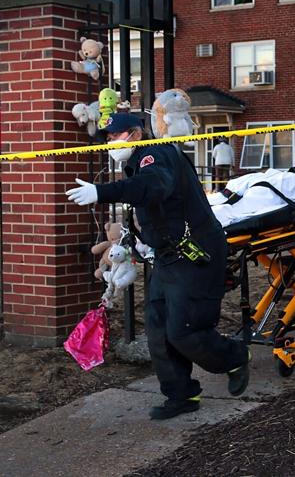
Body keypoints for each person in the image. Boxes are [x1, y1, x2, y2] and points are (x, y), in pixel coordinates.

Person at [65, 113, 250, 420]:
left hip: (196, 253)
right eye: (107, 138)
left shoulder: (155, 154)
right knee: (158, 330)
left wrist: (102, 192)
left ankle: (234, 356)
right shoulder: (136, 161)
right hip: (168, 255)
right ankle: (182, 394)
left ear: (135, 134)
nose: (110, 142)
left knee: (184, 330)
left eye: (114, 136)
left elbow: (154, 187)